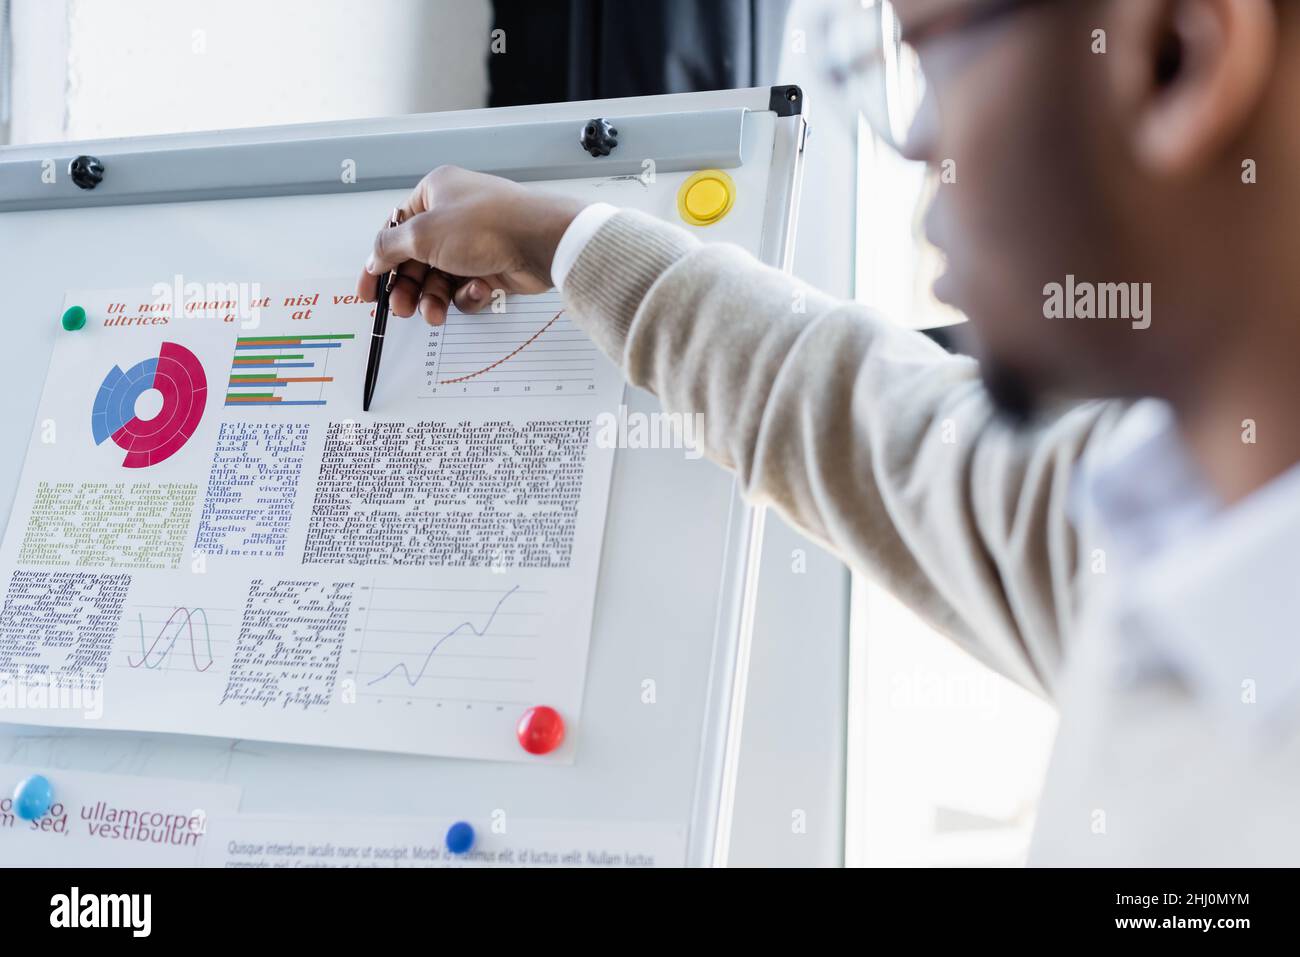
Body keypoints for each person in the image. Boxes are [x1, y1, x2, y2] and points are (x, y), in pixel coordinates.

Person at [358, 0, 1300, 865]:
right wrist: (559, 238)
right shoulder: (1152, 524)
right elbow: (857, 414)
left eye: (926, 59)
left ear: (1174, 58)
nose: (915, 141)